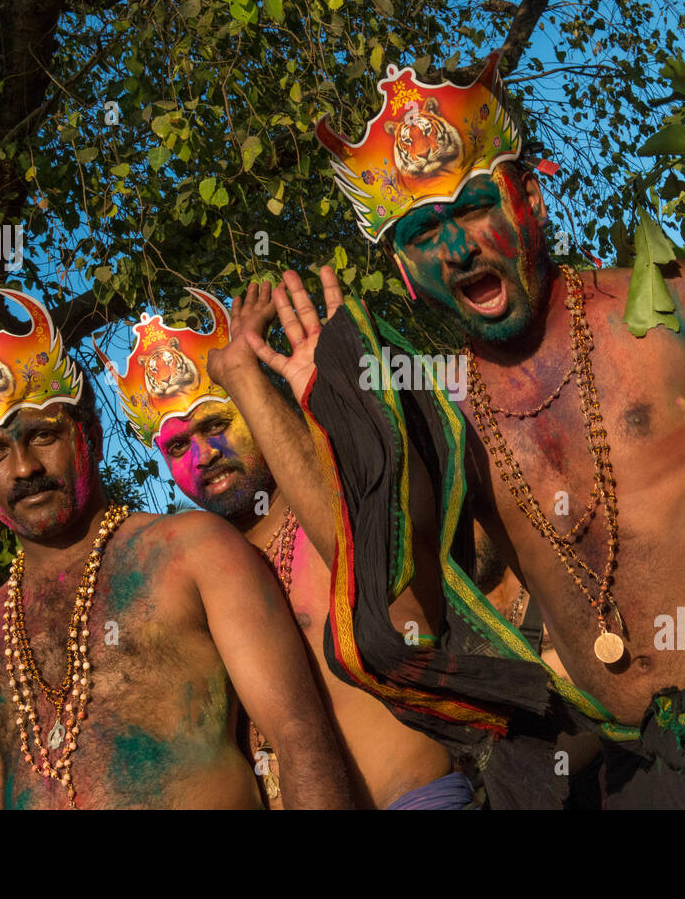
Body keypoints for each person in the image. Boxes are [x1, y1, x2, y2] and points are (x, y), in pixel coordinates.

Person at [241, 53, 685, 808]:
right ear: (407, 270)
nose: (456, 247)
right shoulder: (441, 412)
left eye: (474, 206)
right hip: (637, 759)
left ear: (530, 198)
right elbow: (403, 610)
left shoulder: (670, 308)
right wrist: (346, 431)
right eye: (423, 231)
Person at [0, 289, 349, 808]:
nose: (24, 468)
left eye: (43, 436)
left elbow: (298, 736)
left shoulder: (192, 550)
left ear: (89, 434)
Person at [97, 288, 467, 808]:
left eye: (218, 425)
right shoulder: (190, 571)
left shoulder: (337, 505)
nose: (203, 455)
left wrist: (245, 376)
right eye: (178, 446)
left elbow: (368, 567)